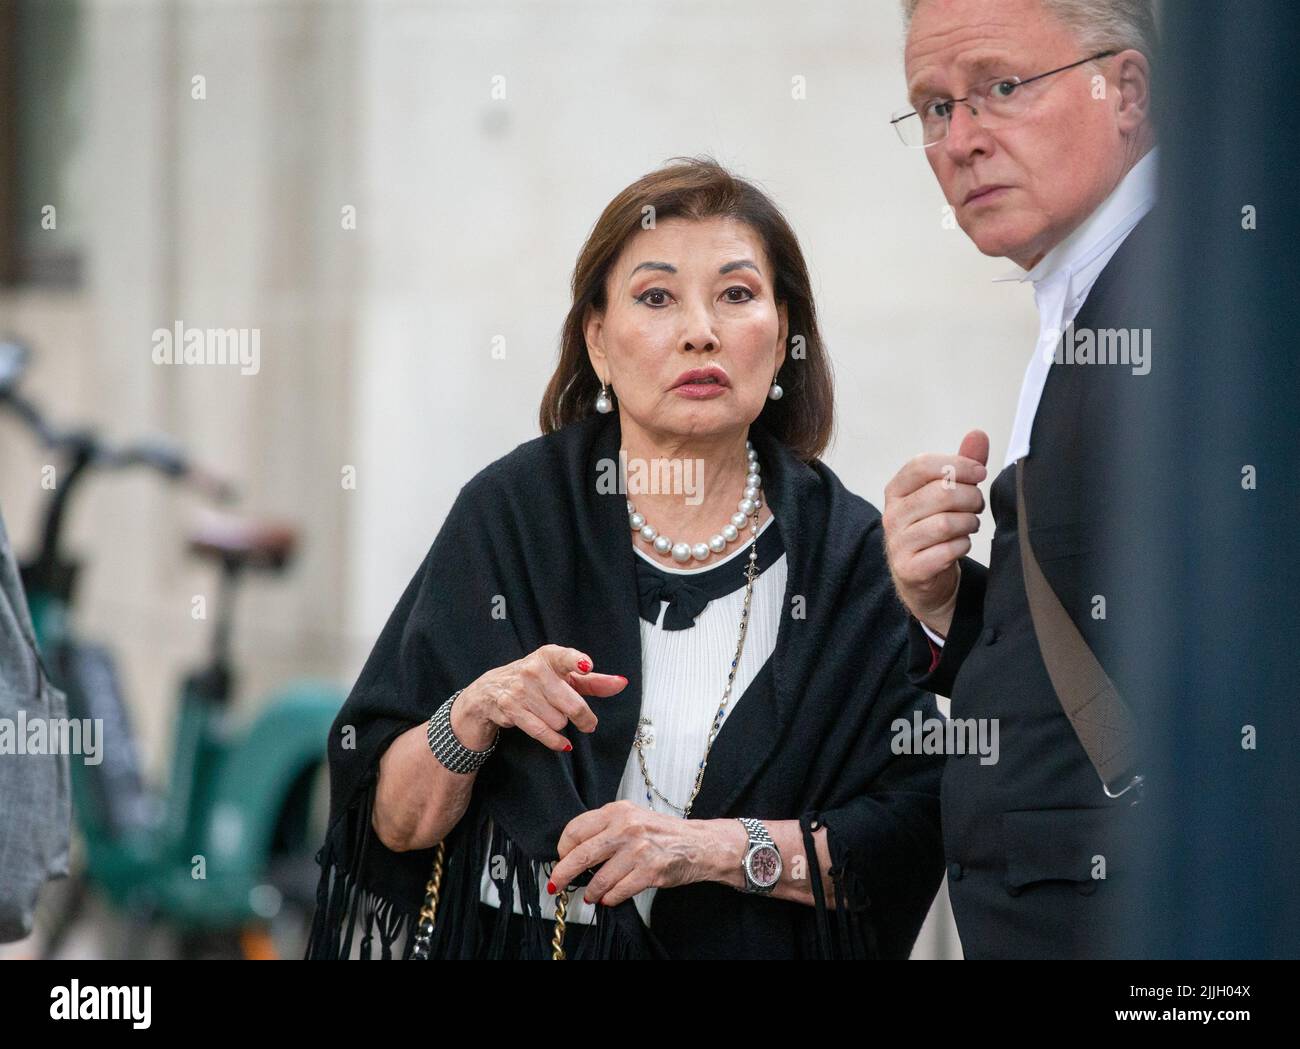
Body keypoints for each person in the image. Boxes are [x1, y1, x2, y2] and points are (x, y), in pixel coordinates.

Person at [306, 157, 945, 960]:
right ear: (598, 343)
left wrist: (710, 849)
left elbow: (906, 835)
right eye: (656, 296)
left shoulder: (848, 556)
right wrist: (471, 714)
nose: (700, 329)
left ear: (783, 337)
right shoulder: (513, 516)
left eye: (738, 294)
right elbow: (392, 825)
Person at [882, 0, 1159, 958]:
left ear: (1125, 91)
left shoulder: (1190, 292)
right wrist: (944, 602)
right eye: (931, 108)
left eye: (1001, 88)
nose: (960, 140)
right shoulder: (1090, 288)